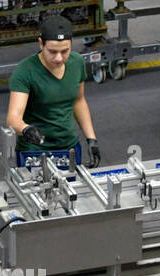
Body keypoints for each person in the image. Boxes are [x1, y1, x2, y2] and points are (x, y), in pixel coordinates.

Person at [7, 15, 101, 168]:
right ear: (40, 43)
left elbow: (79, 101)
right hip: (36, 151)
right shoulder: (25, 71)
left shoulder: (76, 62)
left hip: (69, 147)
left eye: (65, 51)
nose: (59, 58)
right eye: (52, 51)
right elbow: (13, 118)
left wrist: (91, 139)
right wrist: (26, 129)